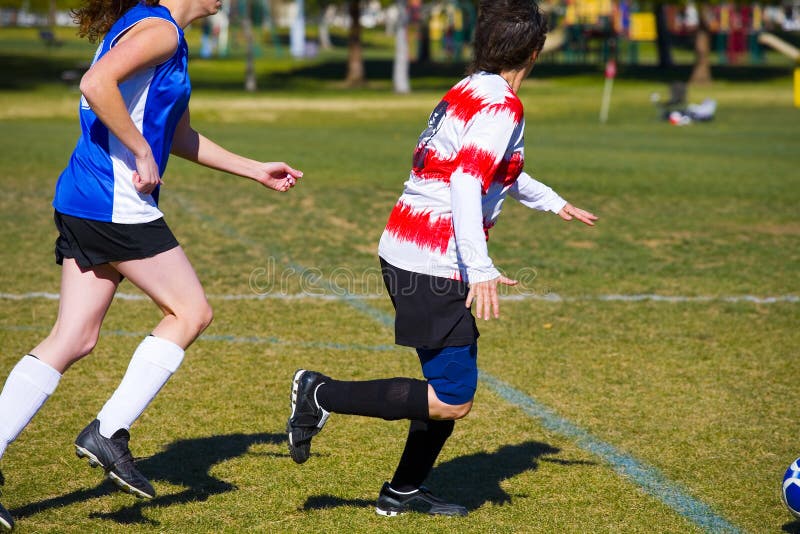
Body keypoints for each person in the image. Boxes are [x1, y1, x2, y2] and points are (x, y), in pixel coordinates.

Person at [286, 0, 597, 518]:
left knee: (448, 386)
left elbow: (494, 169)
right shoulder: (501, 104)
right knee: (453, 397)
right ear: (534, 52)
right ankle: (321, 394)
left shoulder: (469, 88)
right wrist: (480, 267)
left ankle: (403, 490)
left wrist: (552, 201)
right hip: (431, 260)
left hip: (408, 248)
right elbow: (466, 179)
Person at [0, 0, 302, 529]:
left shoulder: (157, 31)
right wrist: (140, 152)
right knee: (191, 312)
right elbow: (96, 84)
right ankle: (109, 430)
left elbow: (178, 135)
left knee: (73, 338)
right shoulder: (160, 31)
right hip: (114, 202)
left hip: (85, 198)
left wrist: (254, 169)